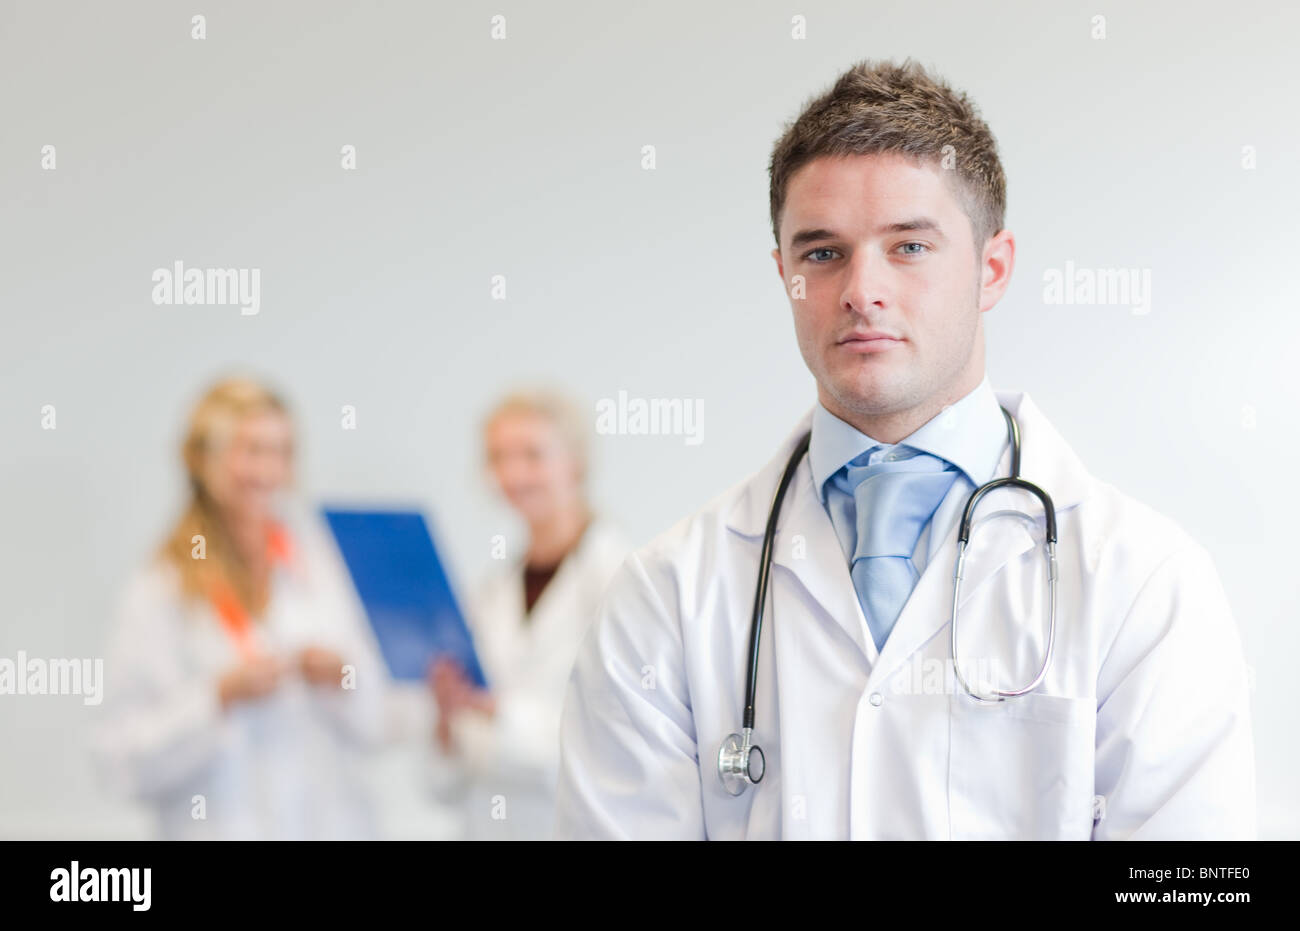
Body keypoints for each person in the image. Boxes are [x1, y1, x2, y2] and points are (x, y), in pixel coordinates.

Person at [554, 59, 1256, 840]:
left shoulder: (1143, 579)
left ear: (992, 268)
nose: (862, 289)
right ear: (784, 273)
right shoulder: (666, 595)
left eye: (909, 247)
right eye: (822, 253)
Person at [93, 377, 387, 839]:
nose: (268, 471)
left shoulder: (324, 569)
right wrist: (217, 697)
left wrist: (342, 677)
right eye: (250, 450)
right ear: (204, 458)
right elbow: (118, 762)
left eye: (282, 452)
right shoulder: (160, 590)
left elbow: (382, 721)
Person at [429, 389, 628, 840]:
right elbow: (447, 782)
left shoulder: (619, 577)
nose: (514, 474)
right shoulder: (492, 590)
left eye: (532, 455)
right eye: (498, 458)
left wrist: (499, 712)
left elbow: (615, 737)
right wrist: (448, 717)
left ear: (575, 462)